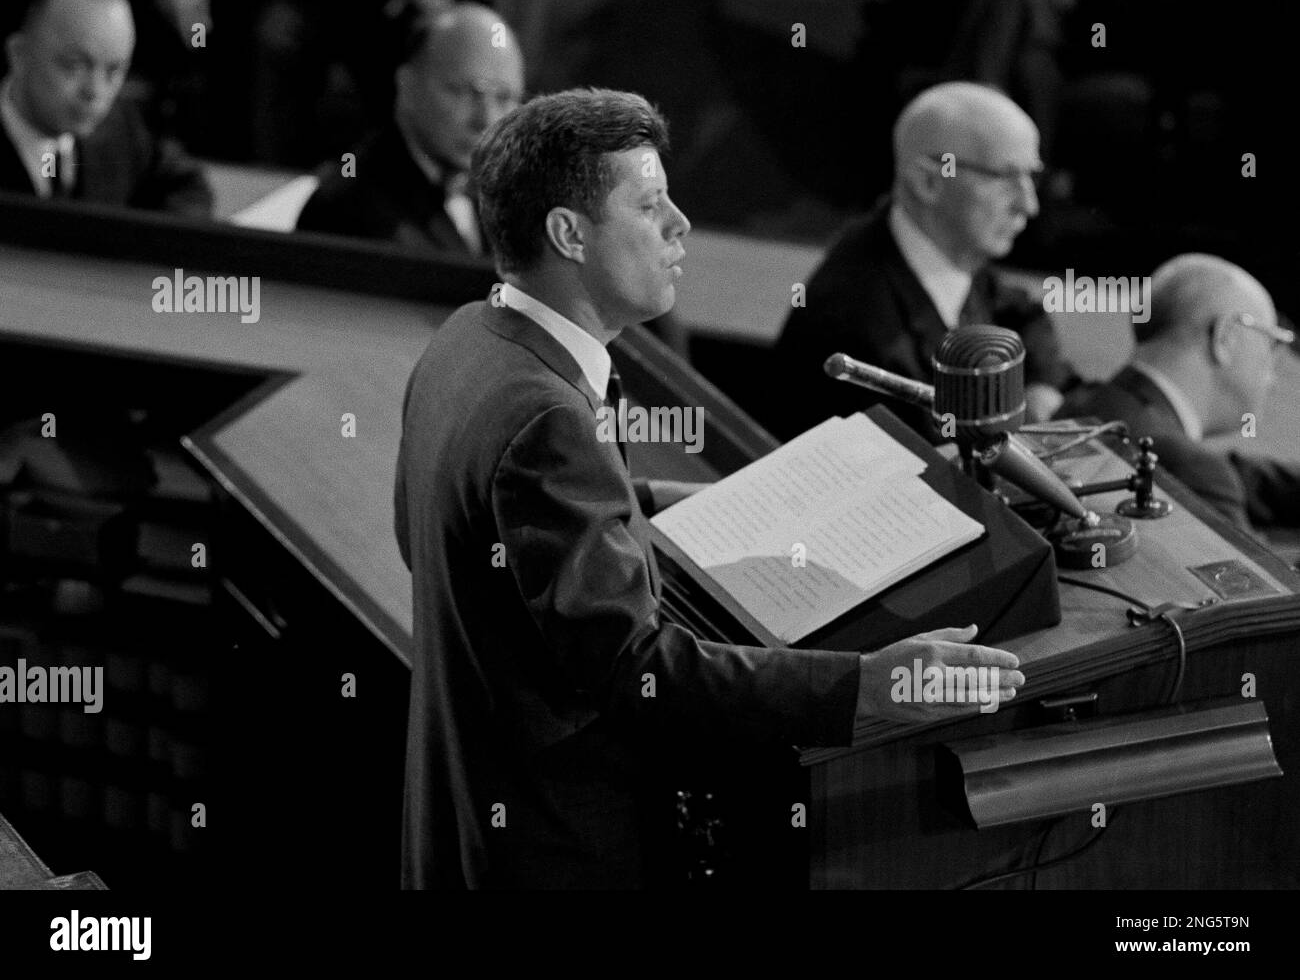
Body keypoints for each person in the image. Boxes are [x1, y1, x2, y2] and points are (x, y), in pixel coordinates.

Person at [392, 87, 1024, 889]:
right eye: (651, 205)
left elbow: (429, 537)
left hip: (460, 824)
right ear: (567, 233)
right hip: (555, 853)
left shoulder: (467, 341)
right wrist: (868, 684)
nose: (680, 224)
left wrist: (662, 503)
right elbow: (638, 673)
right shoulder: (548, 419)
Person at [770, 81, 1071, 442]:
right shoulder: (857, 325)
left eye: (1032, 176)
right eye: (1004, 177)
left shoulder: (944, 252)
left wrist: (1042, 385)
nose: (1029, 204)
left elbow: (1018, 310)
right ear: (929, 181)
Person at [1057, 254, 1299, 531]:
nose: (1273, 375)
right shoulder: (1195, 470)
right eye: (1271, 343)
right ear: (1225, 337)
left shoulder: (1086, 404)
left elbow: (1240, 474)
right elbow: (1259, 575)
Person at [296, 2, 522, 258]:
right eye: (464, 91)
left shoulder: (514, 197)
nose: (486, 119)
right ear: (408, 86)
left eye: (504, 97)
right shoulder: (343, 209)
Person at [0, 0, 211, 215]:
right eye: (74, 65)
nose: (95, 91)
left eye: (114, 70)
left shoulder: (118, 128)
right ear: (19, 54)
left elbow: (188, 186)